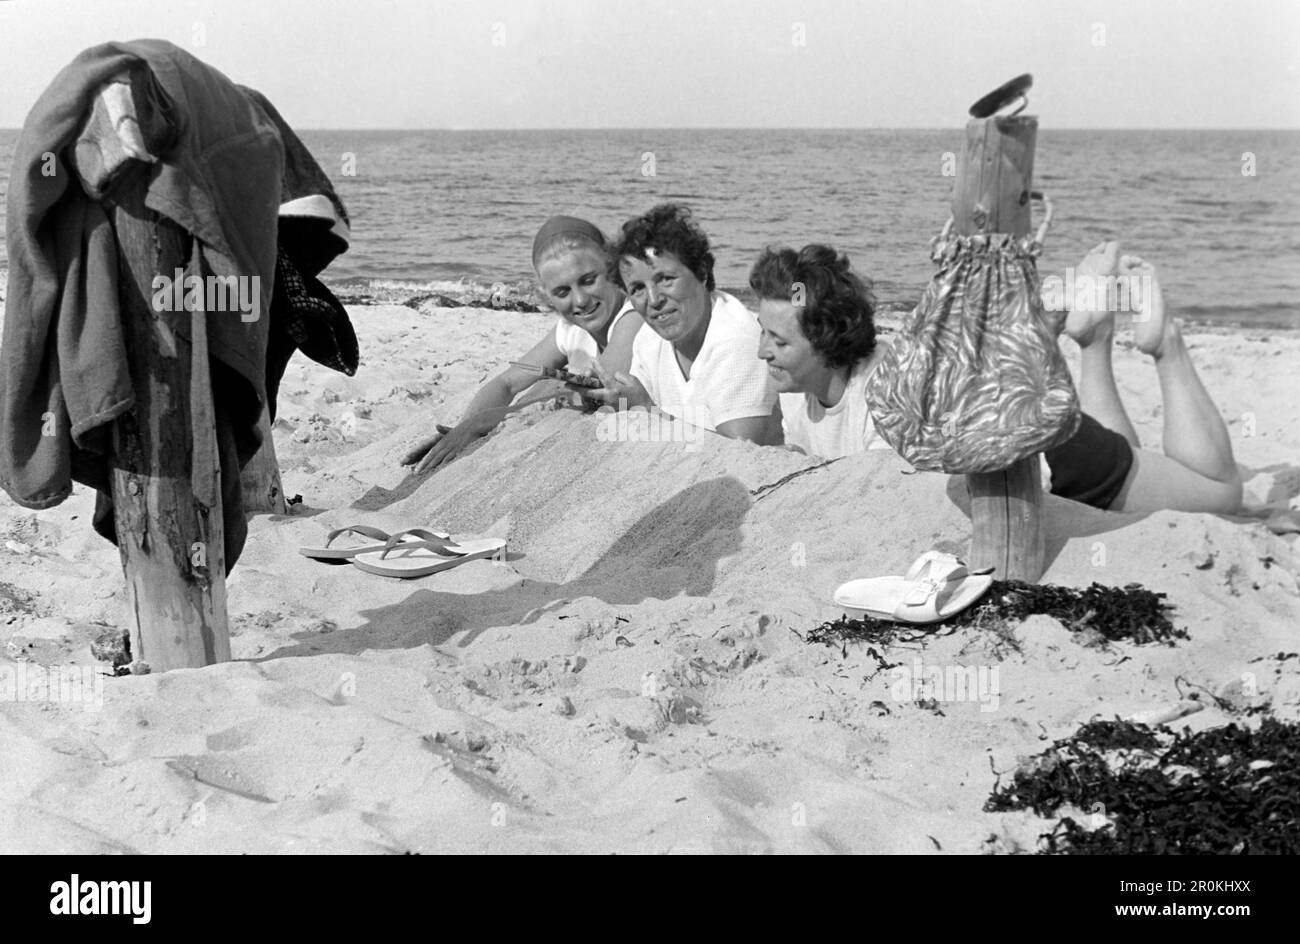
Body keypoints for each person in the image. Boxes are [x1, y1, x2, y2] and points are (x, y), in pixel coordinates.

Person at [749, 241, 1243, 515]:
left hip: (1054, 465)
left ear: (827, 341)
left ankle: (1166, 345)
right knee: (1129, 452)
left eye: (779, 340)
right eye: (763, 332)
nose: (761, 351)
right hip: (1040, 453)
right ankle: (1093, 339)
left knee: (1223, 493)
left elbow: (902, 500)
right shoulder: (796, 391)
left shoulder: (882, 395)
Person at [402, 215, 642, 473]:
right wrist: (464, 429)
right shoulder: (570, 328)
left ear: (612, 269)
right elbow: (506, 383)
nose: (580, 300)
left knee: (552, 382)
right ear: (547, 295)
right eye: (562, 291)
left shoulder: (634, 315)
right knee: (546, 381)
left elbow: (597, 392)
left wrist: (493, 419)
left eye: (588, 280)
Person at [584, 204, 781, 445]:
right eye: (637, 289)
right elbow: (636, 417)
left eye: (666, 279)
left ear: (702, 272)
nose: (654, 300)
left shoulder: (736, 341)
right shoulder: (649, 338)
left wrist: (646, 410)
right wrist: (604, 399)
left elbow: (739, 452)